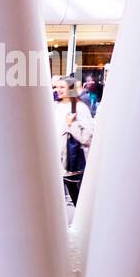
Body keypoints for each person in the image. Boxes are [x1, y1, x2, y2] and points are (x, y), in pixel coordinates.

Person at [55, 76, 94, 205]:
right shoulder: (55, 106)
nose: (58, 90)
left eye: (62, 87)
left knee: (77, 198)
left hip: (71, 162)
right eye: (57, 87)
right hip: (55, 161)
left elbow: (88, 137)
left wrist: (72, 125)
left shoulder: (80, 108)